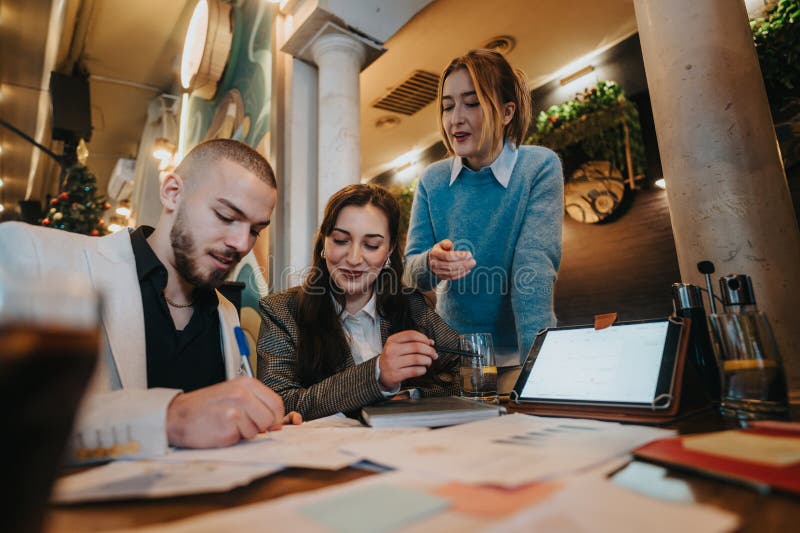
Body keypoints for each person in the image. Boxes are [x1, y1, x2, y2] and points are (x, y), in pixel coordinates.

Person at [0, 139, 300, 462]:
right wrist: (169, 417)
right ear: (172, 192)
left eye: (255, 229)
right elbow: (15, 417)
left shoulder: (226, 312)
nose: (242, 244)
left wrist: (249, 419)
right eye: (226, 216)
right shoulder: (33, 254)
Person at [404, 49, 564, 365]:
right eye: (448, 107)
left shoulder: (538, 167)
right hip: (453, 358)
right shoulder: (432, 181)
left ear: (507, 112)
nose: (456, 119)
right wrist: (431, 263)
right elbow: (410, 273)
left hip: (517, 354)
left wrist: (537, 367)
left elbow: (533, 269)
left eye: (472, 103)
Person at [258, 184, 460, 420]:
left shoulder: (411, 307)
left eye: (371, 245)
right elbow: (278, 403)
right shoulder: (281, 312)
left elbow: (471, 369)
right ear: (324, 241)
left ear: (389, 250)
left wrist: (409, 396)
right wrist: (377, 375)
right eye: (341, 240)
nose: (354, 259)